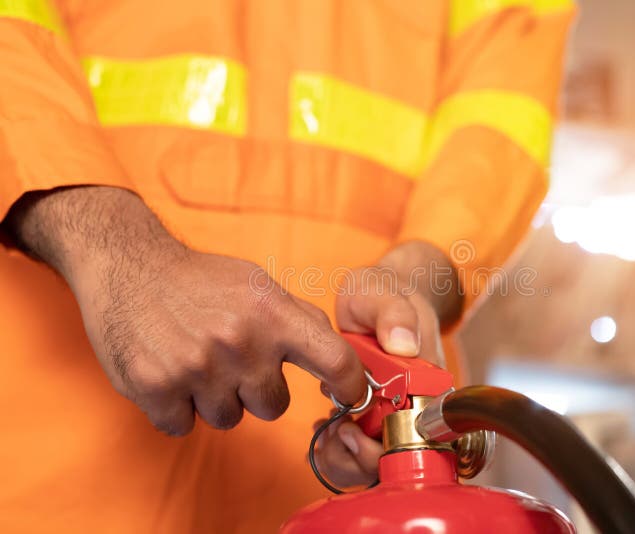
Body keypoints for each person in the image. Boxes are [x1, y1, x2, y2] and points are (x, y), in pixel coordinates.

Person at [0, 0, 574, 531]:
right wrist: (111, 247)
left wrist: (416, 279)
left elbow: (501, 103)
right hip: (56, 426)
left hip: (350, 468)